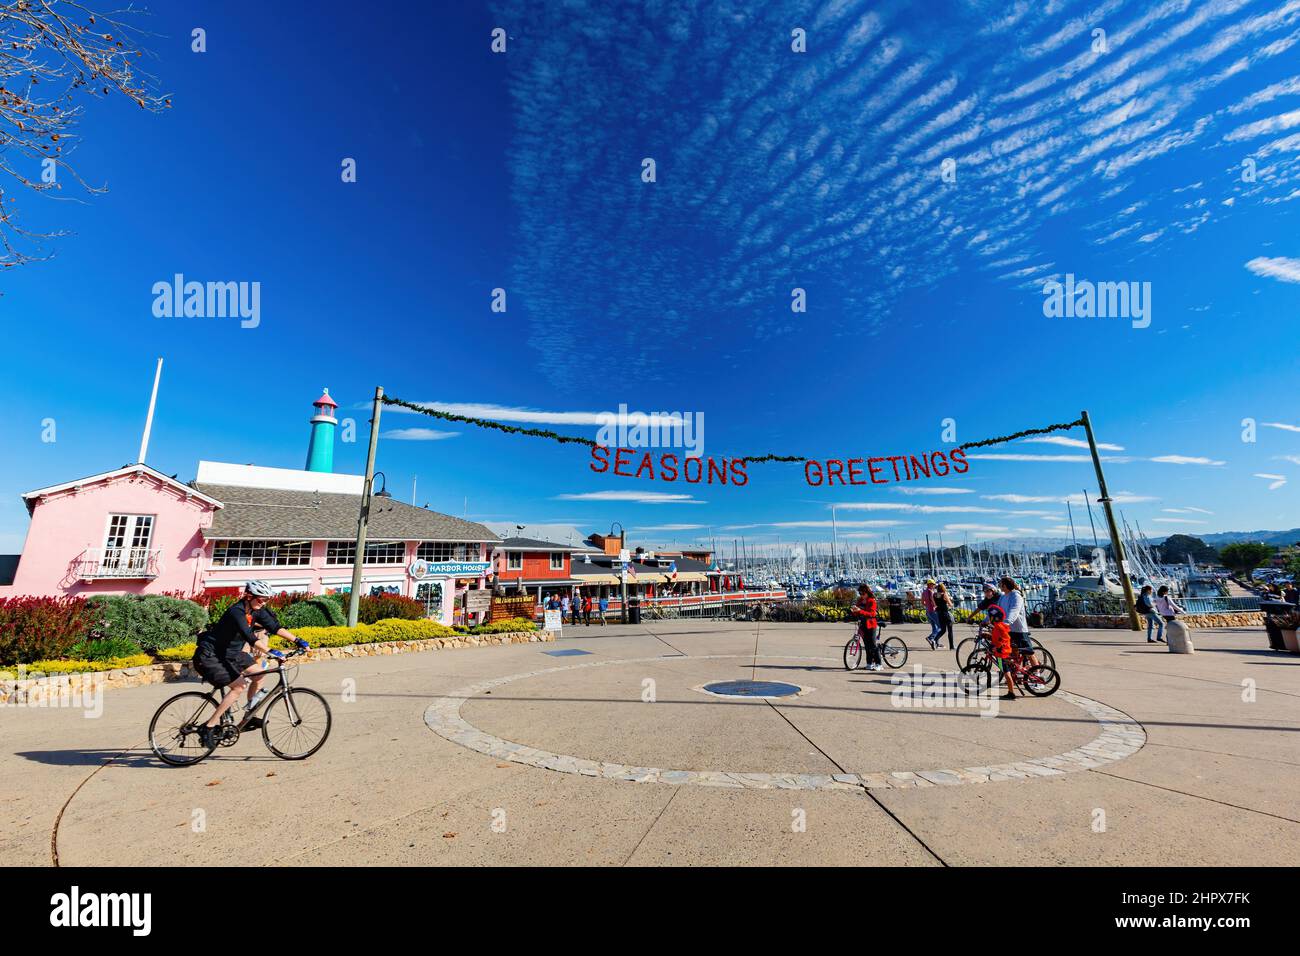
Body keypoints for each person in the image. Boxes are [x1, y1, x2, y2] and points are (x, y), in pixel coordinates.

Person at [192, 581, 306, 746]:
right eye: (261, 599)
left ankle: (249, 717)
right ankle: (208, 727)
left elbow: (275, 627)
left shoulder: (257, 610)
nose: (264, 603)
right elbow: (250, 637)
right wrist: (271, 651)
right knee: (239, 686)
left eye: (266, 599)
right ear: (249, 596)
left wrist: (298, 640)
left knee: (259, 674)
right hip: (210, 656)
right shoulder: (236, 611)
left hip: (233, 653)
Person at [997, 576, 1037, 667]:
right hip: (1008, 630)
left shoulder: (1016, 596)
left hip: (1019, 629)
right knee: (1012, 652)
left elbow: (1014, 612)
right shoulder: (1002, 597)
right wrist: (988, 621)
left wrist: (1005, 623)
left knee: (1028, 652)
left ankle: (1037, 671)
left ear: (1005, 586)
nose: (999, 585)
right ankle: (1016, 671)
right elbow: (997, 611)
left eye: (1000, 584)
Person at [986, 604, 1019, 701]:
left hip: (1002, 654)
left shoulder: (999, 627)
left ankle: (1011, 693)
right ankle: (1011, 690)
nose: (990, 619)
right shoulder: (998, 626)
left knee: (1006, 672)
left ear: (995, 618)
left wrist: (998, 648)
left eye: (991, 617)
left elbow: (1003, 640)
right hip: (1001, 652)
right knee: (1005, 670)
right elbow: (996, 638)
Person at [849, 583, 883, 671]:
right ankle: (869, 663)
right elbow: (858, 612)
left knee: (873, 645)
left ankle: (879, 663)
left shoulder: (872, 601)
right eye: (860, 593)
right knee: (867, 645)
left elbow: (872, 614)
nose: (861, 595)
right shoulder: (860, 600)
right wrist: (854, 610)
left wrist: (860, 611)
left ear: (867, 592)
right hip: (862, 624)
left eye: (863, 594)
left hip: (871, 624)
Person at [931, 583, 955, 650]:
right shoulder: (944, 594)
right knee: (950, 630)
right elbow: (950, 604)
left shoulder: (934, 595)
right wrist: (949, 604)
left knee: (943, 630)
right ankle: (951, 646)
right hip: (945, 614)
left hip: (939, 614)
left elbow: (935, 604)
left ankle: (934, 640)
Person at [921, 580, 939, 644]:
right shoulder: (931, 591)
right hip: (933, 611)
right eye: (933, 584)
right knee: (940, 627)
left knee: (934, 628)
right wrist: (935, 606)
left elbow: (922, 603)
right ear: (929, 584)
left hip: (928, 611)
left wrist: (928, 605)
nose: (934, 585)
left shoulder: (924, 592)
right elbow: (932, 600)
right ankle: (930, 638)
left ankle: (936, 643)